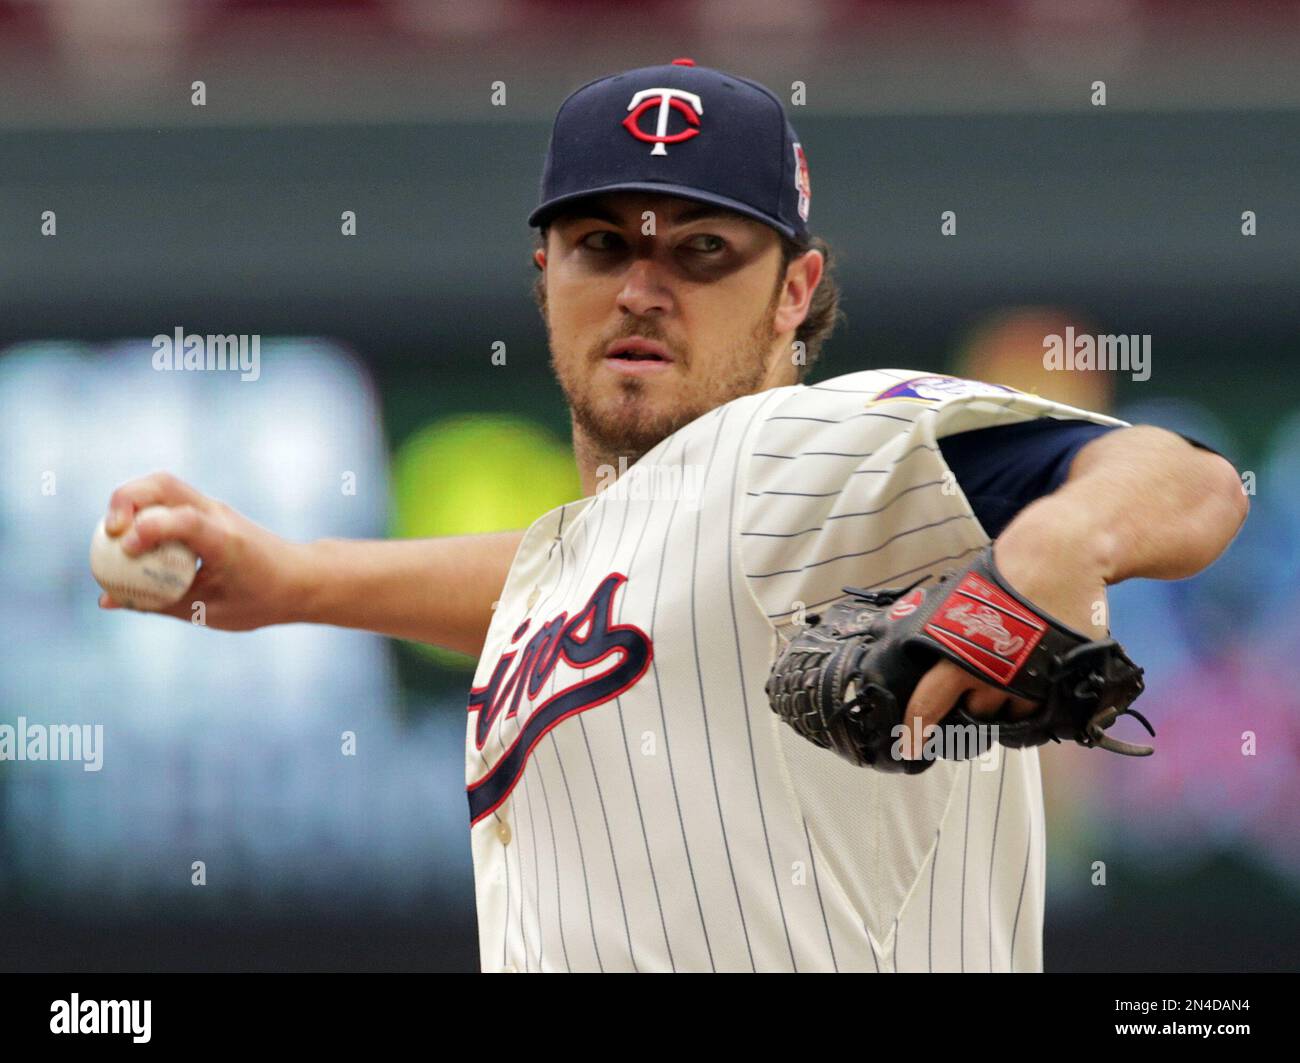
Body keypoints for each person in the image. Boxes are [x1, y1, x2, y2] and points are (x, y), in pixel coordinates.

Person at [100, 59, 1247, 972]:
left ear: (795, 292)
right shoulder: (624, 545)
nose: (643, 285)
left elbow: (1188, 480)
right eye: (604, 243)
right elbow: (585, 589)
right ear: (544, 268)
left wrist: (1053, 540)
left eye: (702, 249)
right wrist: (295, 580)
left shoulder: (805, 446)